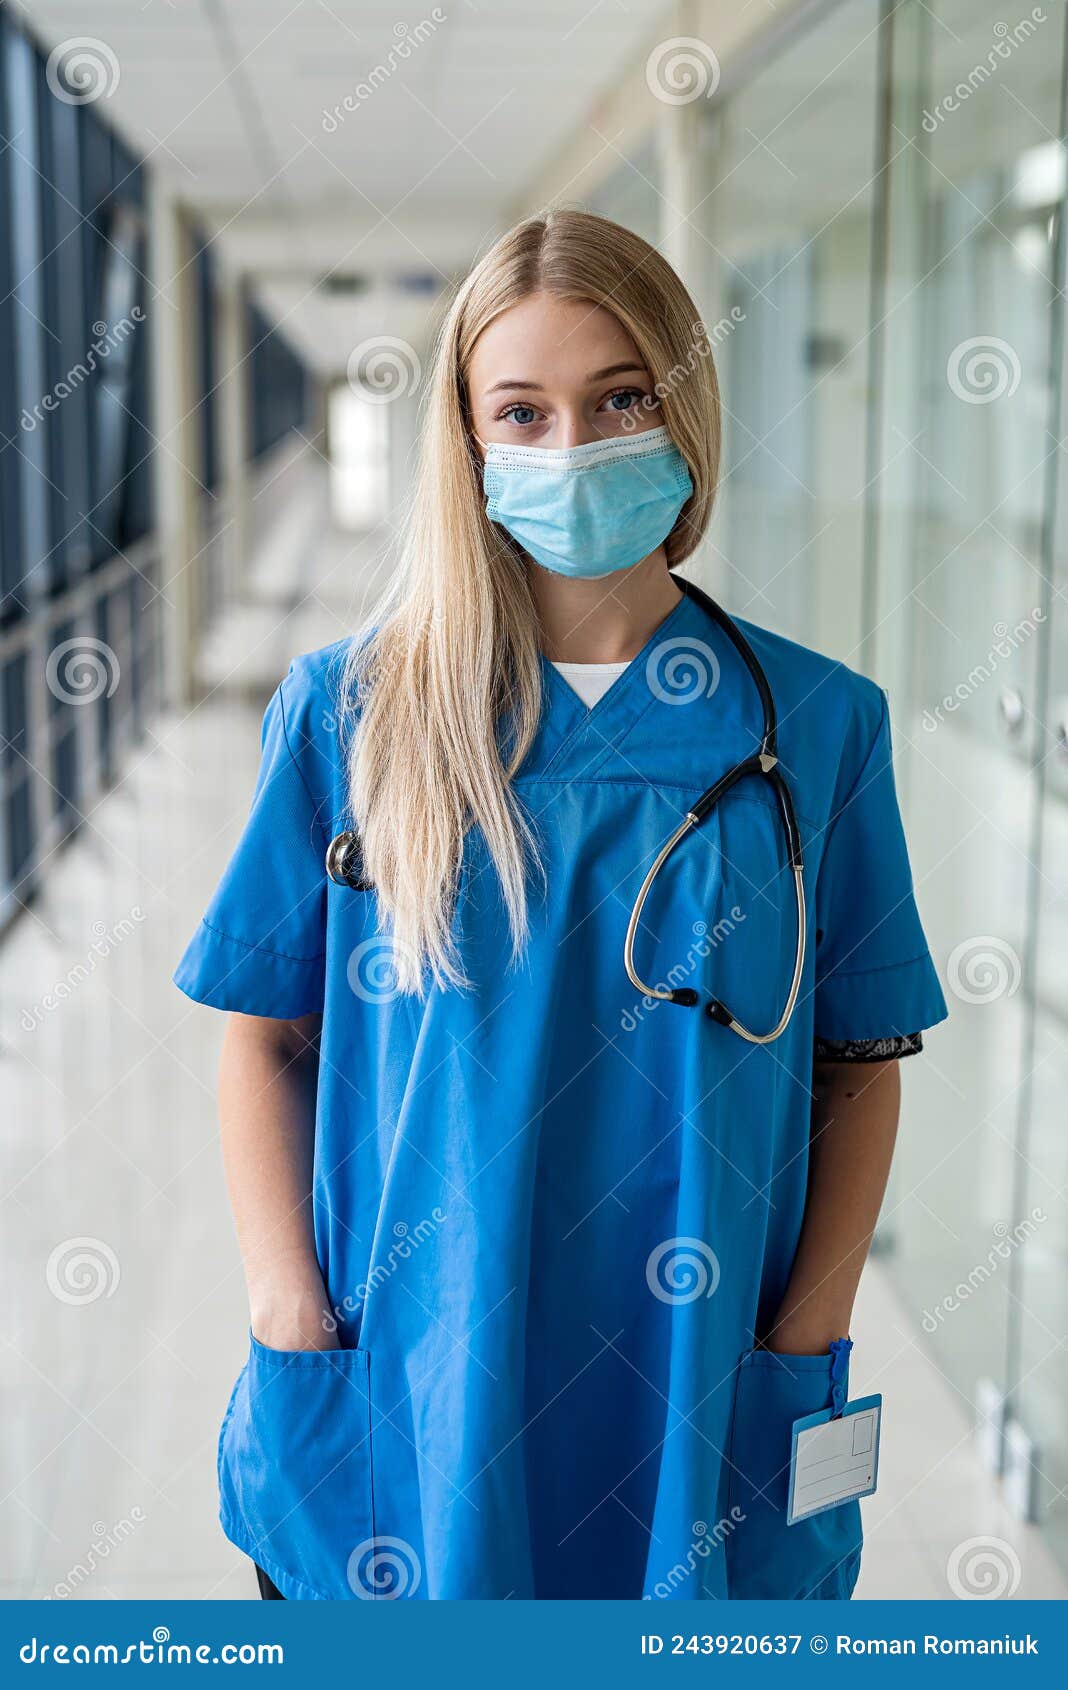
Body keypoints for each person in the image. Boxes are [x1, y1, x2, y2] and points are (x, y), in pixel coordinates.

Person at [175, 209, 947, 1602]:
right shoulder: (351, 717)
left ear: (687, 410)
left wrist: (806, 1333)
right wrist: (291, 1310)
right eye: (520, 411)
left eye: (620, 399)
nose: (572, 449)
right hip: (408, 1369)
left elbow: (859, 1063)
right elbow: (264, 1037)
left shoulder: (819, 728)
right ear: (468, 449)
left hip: (703, 1384)